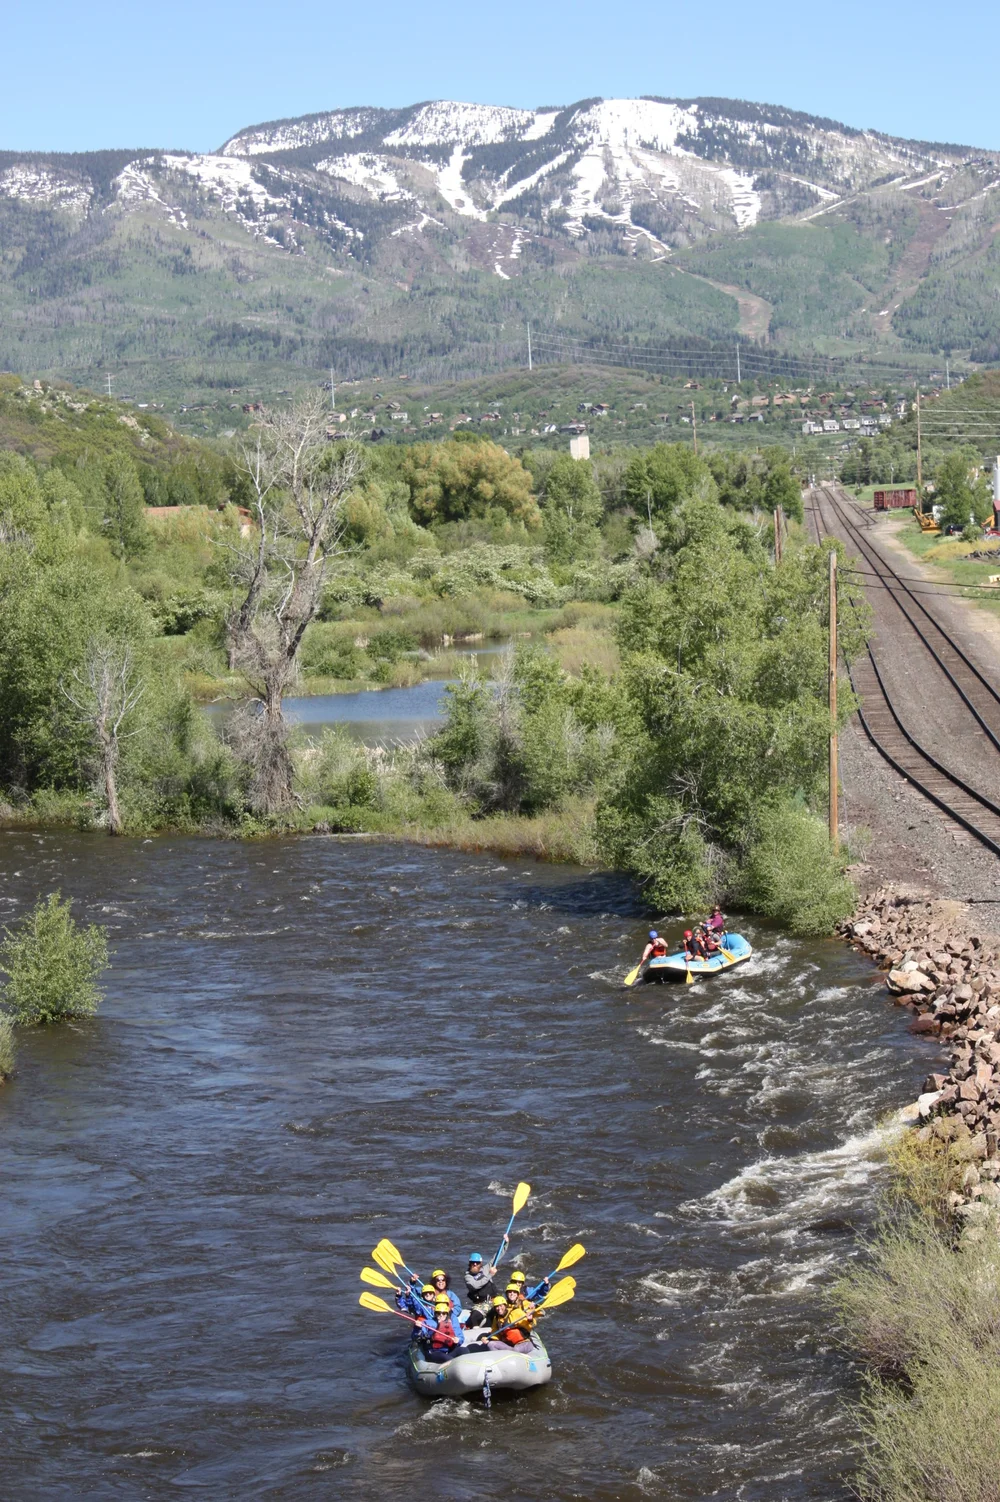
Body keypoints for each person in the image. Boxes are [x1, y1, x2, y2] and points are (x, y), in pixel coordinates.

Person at [464, 1252, 500, 1329]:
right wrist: (490, 1275)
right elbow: (476, 1285)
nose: (475, 1265)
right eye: (473, 1263)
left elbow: (496, 1258)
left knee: (496, 1313)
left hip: (493, 1300)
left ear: (480, 1264)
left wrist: (505, 1244)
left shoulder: (486, 1269)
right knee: (474, 1317)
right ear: (470, 1263)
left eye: (477, 1263)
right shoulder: (468, 1277)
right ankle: (475, 1332)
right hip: (481, 1304)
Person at [420, 1297, 462, 1363]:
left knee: (464, 1350)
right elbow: (424, 1335)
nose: (441, 1315)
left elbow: (459, 1335)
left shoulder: (451, 1322)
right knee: (449, 1359)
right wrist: (438, 1326)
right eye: (438, 1313)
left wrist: (458, 1340)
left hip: (448, 1350)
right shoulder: (428, 1323)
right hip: (434, 1351)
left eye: (443, 1313)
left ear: (447, 1314)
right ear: (435, 1314)